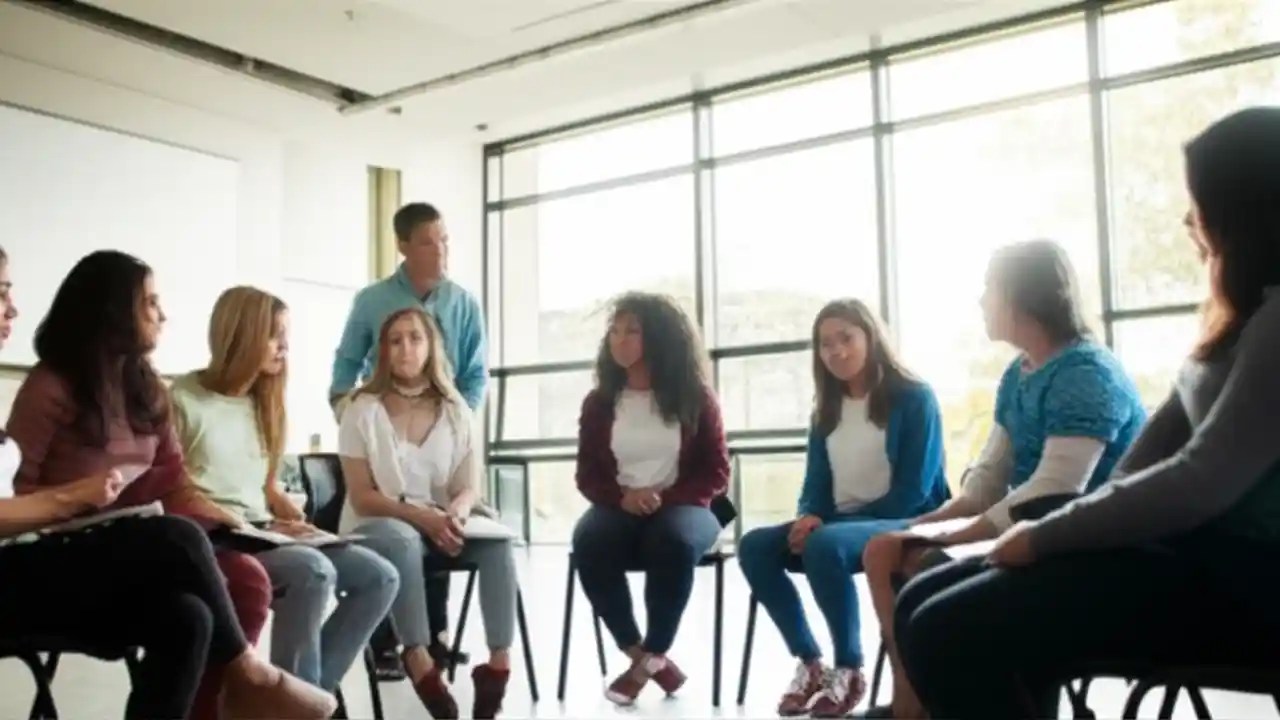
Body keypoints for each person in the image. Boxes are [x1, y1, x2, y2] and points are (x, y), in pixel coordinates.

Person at [894, 107, 1280, 719]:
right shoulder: (1233, 328)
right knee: (925, 598)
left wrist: (1044, 536)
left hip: (1250, 578)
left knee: (945, 626)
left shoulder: (1276, 323)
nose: (1187, 218)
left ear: (1244, 207)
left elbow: (1203, 479)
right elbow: (1142, 466)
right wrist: (1055, 541)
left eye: (1199, 199)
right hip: (1195, 555)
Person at [6, 249, 336, 719]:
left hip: (128, 553)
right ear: (114, 312)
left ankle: (228, 698)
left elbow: (175, 485)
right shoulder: (51, 386)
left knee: (192, 614)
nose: (163, 315)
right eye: (150, 304)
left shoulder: (148, 390)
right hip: (55, 558)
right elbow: (13, 494)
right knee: (172, 536)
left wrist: (242, 525)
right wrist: (72, 502)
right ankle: (252, 677)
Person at [860, 239, 1146, 719]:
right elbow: (989, 481)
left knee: (926, 586)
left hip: (1090, 547)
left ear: (1023, 295)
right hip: (1035, 534)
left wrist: (951, 537)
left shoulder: (1086, 375)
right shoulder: (1020, 374)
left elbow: (1055, 492)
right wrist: (918, 525)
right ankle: (915, 707)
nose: (981, 300)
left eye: (990, 287)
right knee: (887, 550)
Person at [171, 285, 399, 694]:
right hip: (215, 538)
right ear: (241, 334)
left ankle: (301, 697)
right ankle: (297, 699)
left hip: (259, 531)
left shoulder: (265, 402)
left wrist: (290, 516)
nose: (285, 347)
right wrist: (253, 524)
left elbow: (266, 484)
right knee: (312, 572)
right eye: (275, 335)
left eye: (286, 336)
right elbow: (174, 491)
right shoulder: (184, 400)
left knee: (379, 577)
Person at [738, 299, 950, 717]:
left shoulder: (914, 398)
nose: (836, 351)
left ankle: (849, 669)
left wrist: (828, 527)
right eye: (825, 344)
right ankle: (810, 664)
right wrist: (808, 517)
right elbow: (814, 484)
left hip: (903, 518)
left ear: (870, 337)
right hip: (838, 525)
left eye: (845, 339)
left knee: (825, 545)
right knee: (754, 546)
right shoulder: (825, 410)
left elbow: (914, 490)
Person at [338, 307, 517, 719]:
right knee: (402, 538)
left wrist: (455, 511)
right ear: (383, 351)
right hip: (376, 525)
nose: (405, 348)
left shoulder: (456, 410)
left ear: (431, 345)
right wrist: (423, 519)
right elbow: (364, 497)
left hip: (437, 523)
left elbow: (467, 486)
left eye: (415, 338)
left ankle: (498, 665)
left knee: (497, 544)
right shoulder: (361, 408)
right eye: (395, 340)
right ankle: (418, 658)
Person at [330, 201, 485, 672]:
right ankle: (386, 641)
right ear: (402, 246)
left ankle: (432, 636)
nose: (439, 251)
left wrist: (454, 424)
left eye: (444, 240)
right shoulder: (371, 301)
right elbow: (344, 370)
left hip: (442, 427)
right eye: (427, 242)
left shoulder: (463, 302)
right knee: (395, 526)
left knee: (442, 516)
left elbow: (476, 374)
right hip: (383, 427)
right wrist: (358, 419)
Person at [572, 292, 730, 707]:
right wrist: (622, 498)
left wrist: (663, 497)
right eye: (615, 331)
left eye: (632, 331)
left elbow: (716, 471)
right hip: (619, 505)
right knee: (589, 540)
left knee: (672, 540)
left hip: (691, 506)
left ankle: (649, 660)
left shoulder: (696, 397)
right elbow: (587, 474)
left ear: (659, 338)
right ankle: (641, 654)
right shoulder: (599, 403)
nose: (619, 340)